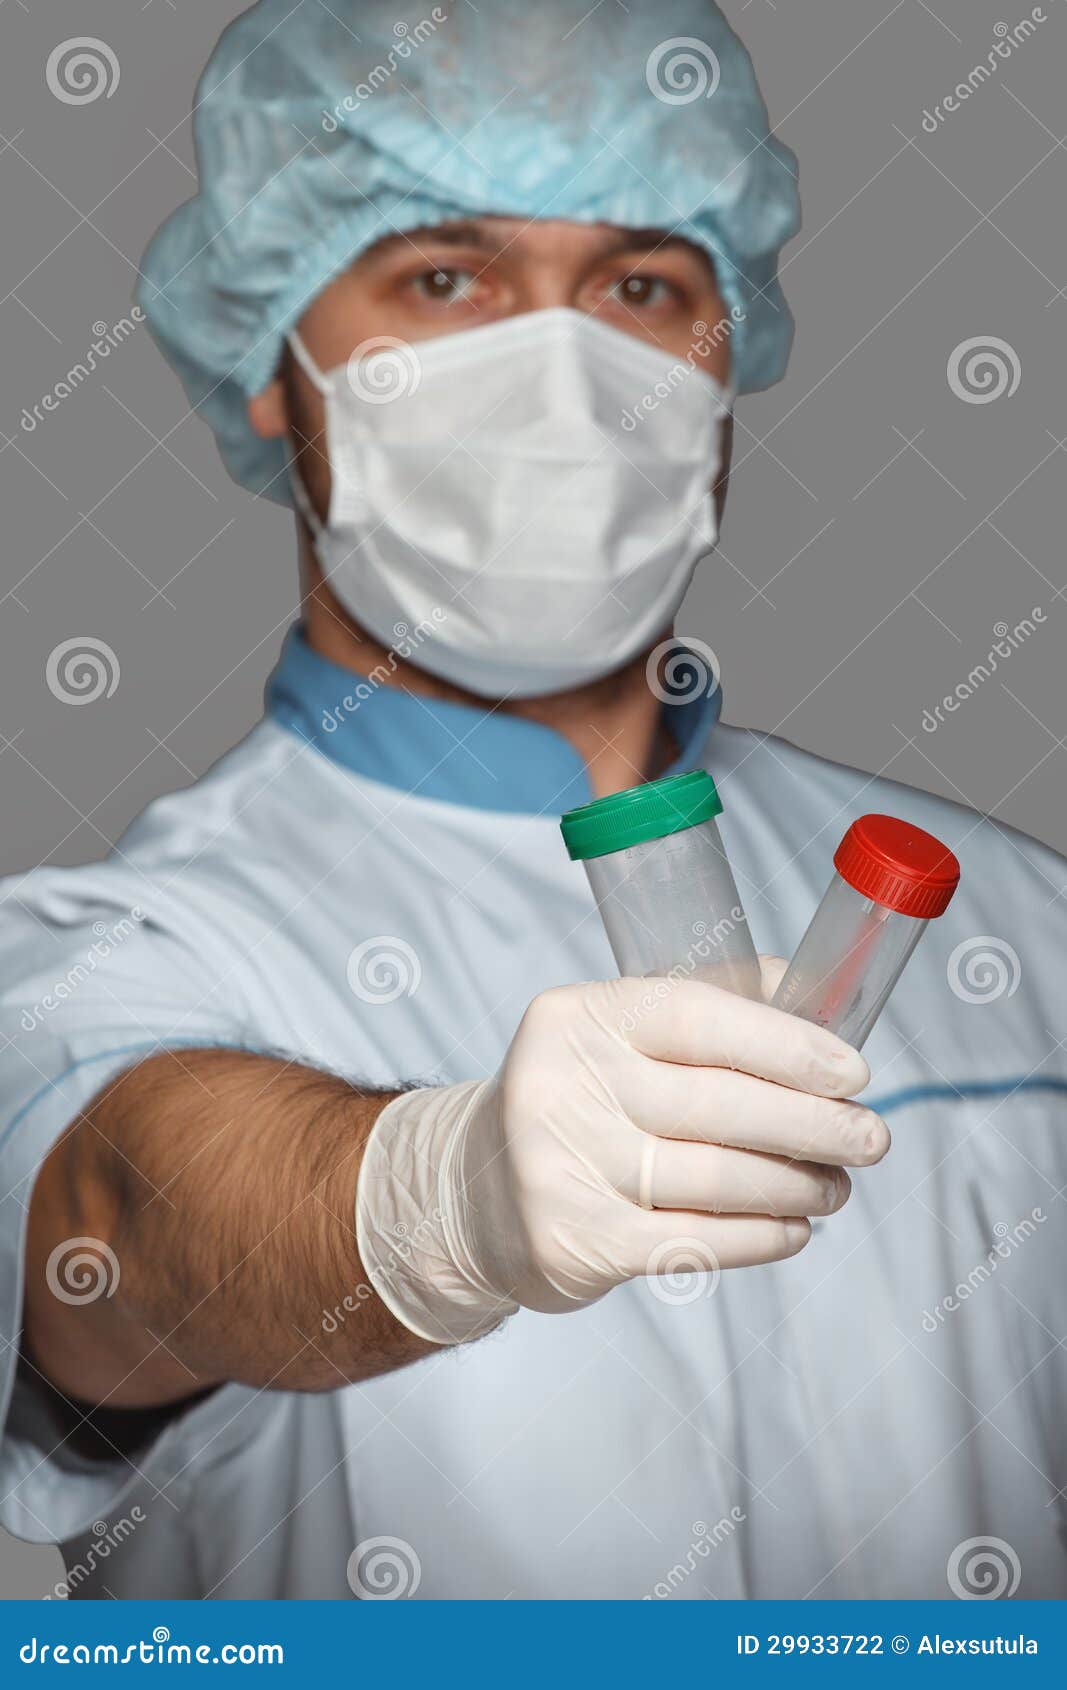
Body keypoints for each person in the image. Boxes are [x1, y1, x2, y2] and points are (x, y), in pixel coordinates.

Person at [2, 0, 1065, 1602]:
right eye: (446, 277)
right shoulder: (105, 955)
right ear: (276, 363)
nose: (562, 366)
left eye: (642, 286)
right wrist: (442, 1194)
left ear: (725, 374)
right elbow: (129, 1208)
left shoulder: (1027, 929)